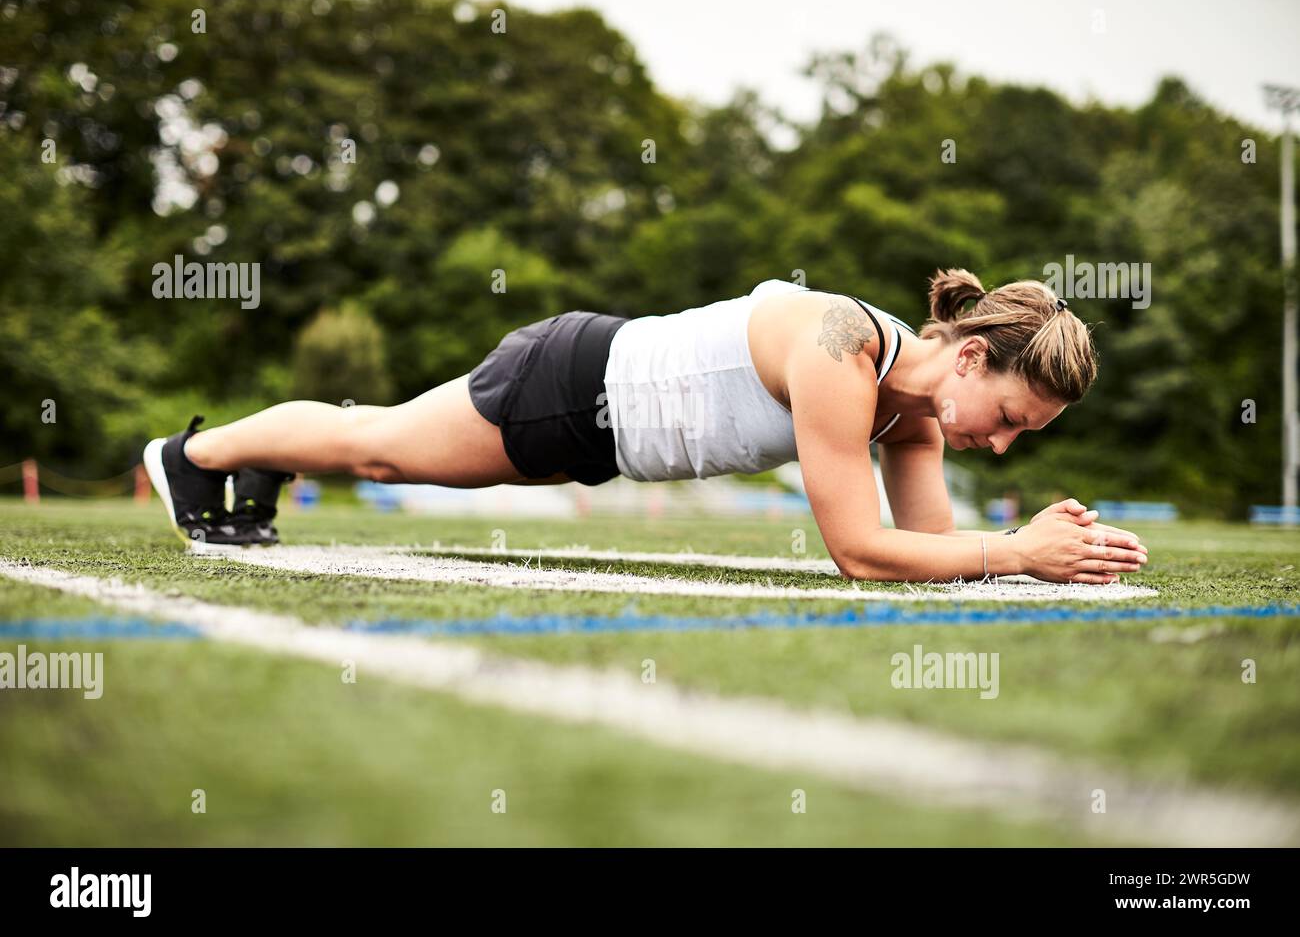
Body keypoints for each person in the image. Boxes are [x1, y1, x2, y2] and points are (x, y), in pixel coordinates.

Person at [144, 269, 1147, 583]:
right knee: (381, 445)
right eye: (1011, 418)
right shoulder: (845, 351)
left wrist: (1041, 545)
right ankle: (195, 454)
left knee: (382, 434)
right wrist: (1014, 551)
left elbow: (930, 552)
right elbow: (858, 550)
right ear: (971, 354)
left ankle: (247, 461)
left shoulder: (915, 416)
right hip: (572, 384)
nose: (1002, 443)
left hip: (598, 423)